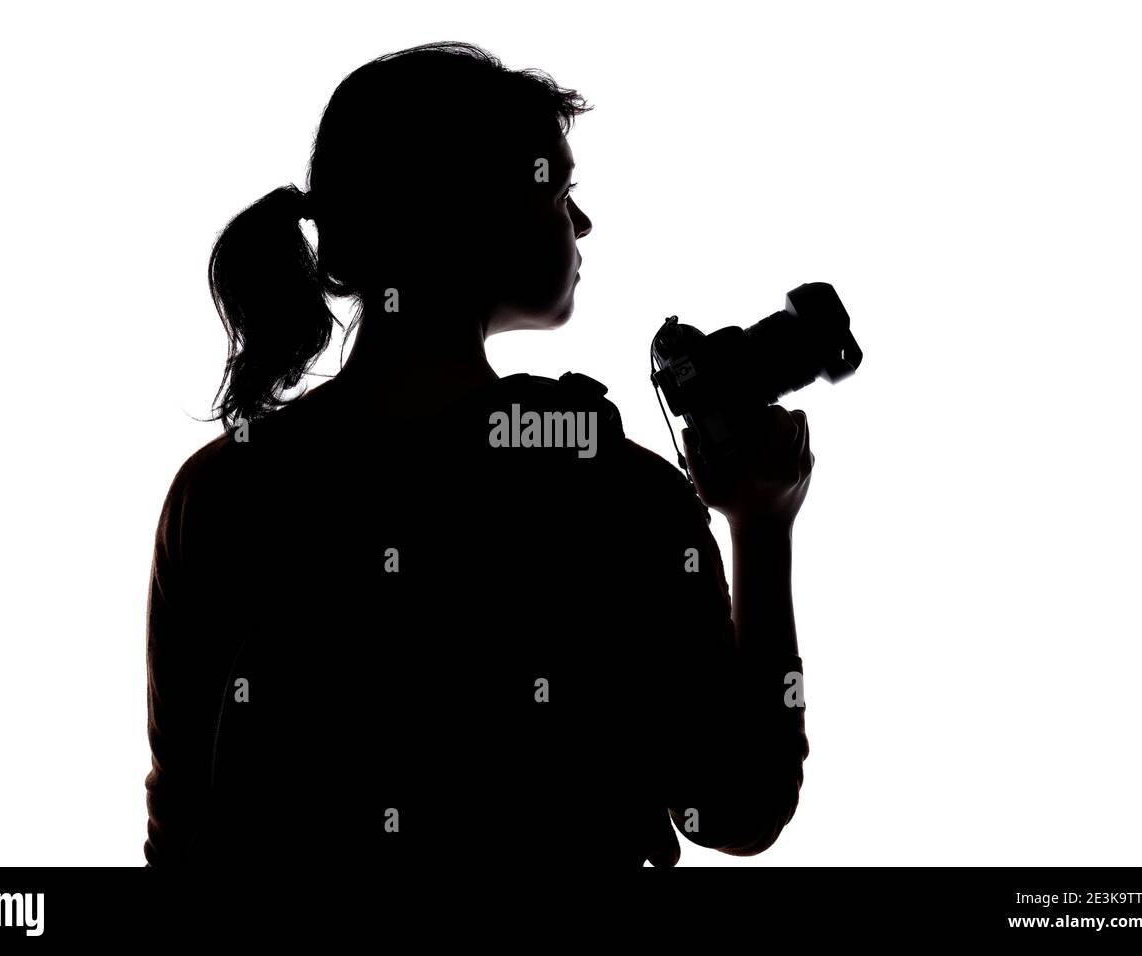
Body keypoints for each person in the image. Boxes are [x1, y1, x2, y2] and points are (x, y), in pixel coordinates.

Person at [143, 41, 811, 871]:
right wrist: (762, 525)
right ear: (477, 220)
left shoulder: (222, 490)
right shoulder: (608, 489)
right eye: (560, 191)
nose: (584, 221)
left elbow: (183, 842)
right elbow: (736, 804)